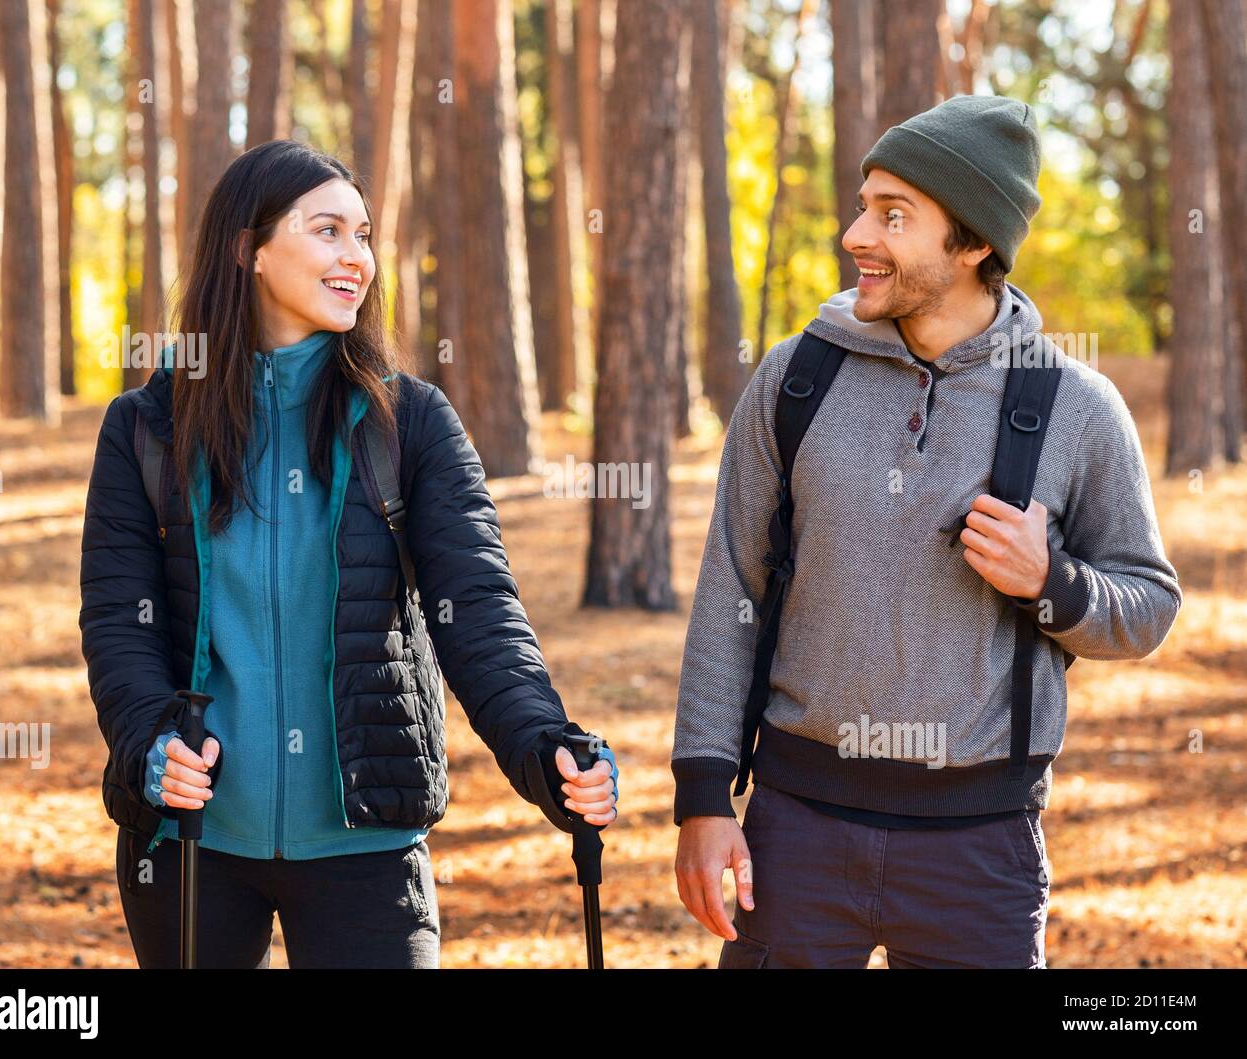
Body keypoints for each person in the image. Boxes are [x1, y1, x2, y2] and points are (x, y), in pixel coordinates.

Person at [80, 140, 618, 969]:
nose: (357, 258)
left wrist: (545, 744)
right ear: (247, 249)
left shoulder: (412, 424)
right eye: (327, 230)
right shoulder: (147, 429)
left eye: (364, 235)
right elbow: (119, 621)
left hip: (367, 841)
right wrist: (151, 743)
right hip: (191, 838)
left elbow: (476, 611)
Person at [671, 95, 1180, 969]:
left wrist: (1052, 582)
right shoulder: (795, 379)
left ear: (974, 242)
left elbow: (1148, 603)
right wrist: (704, 797)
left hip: (979, 853)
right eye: (865, 204)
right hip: (796, 831)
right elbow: (732, 591)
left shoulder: (1075, 409)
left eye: (893, 215)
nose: (855, 234)